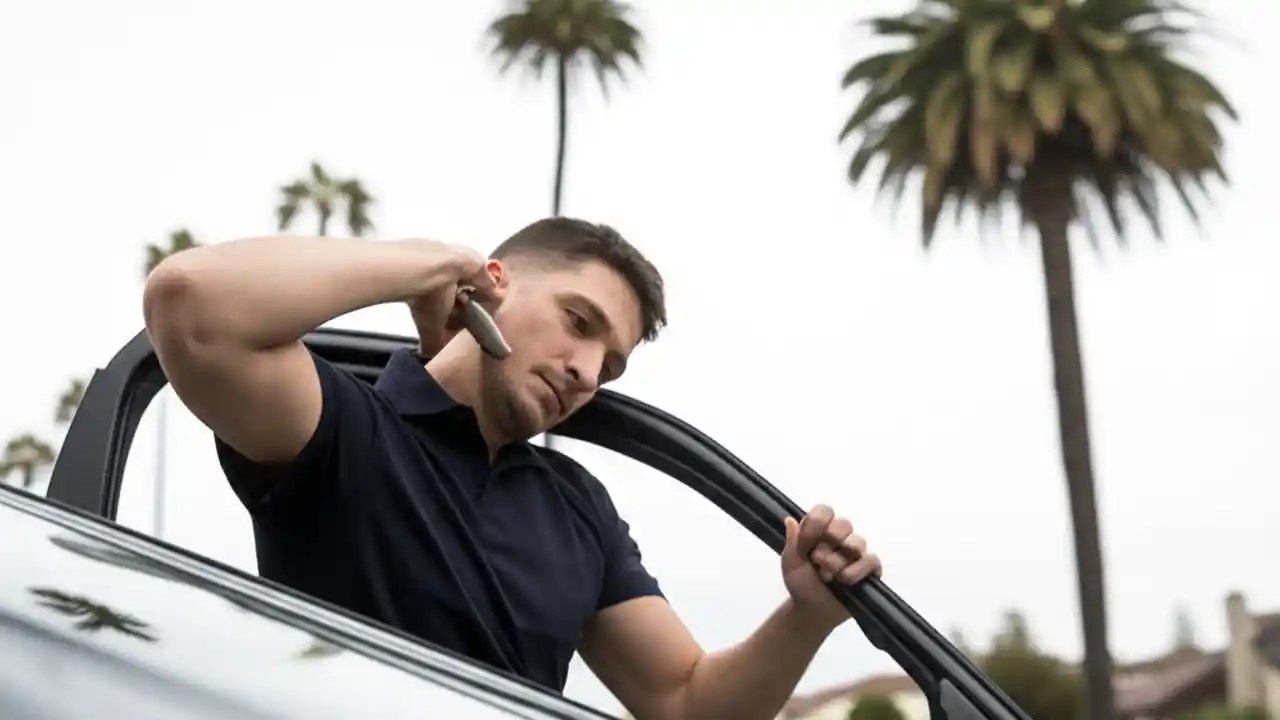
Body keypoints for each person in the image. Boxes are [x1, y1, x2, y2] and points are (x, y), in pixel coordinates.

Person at [142, 217, 883, 720]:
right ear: (491, 285)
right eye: (579, 323)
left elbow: (686, 703)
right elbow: (190, 302)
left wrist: (807, 614)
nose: (587, 371)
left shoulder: (577, 505)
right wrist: (431, 267)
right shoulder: (341, 425)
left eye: (611, 364)